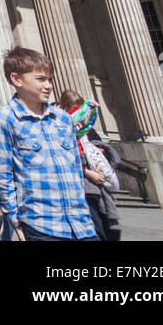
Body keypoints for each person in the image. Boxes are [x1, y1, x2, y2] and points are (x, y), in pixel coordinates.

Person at [0, 48, 98, 242]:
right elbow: (3, 176)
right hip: (41, 226)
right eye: (41, 79)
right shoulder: (5, 119)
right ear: (17, 80)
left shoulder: (63, 118)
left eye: (50, 79)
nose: (48, 85)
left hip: (82, 225)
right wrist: (15, 221)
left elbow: (75, 168)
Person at [58, 90, 121, 241]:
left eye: (79, 108)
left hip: (91, 183)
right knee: (96, 224)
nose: (78, 112)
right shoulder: (63, 124)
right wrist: (86, 172)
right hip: (81, 182)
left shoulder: (82, 127)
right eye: (74, 108)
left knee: (101, 222)